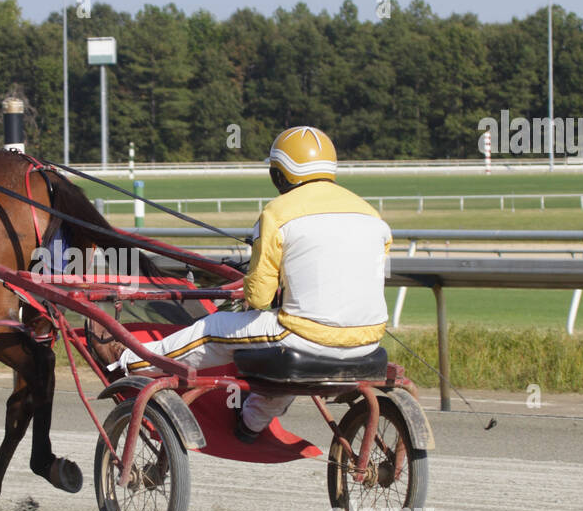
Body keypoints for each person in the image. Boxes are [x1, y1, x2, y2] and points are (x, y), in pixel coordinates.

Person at [89, 126, 392, 442]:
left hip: (304, 338)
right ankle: (250, 424)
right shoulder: (371, 213)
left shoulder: (277, 212)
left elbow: (259, 297)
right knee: (280, 362)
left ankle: (126, 359)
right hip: (368, 342)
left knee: (215, 327)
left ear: (279, 174)